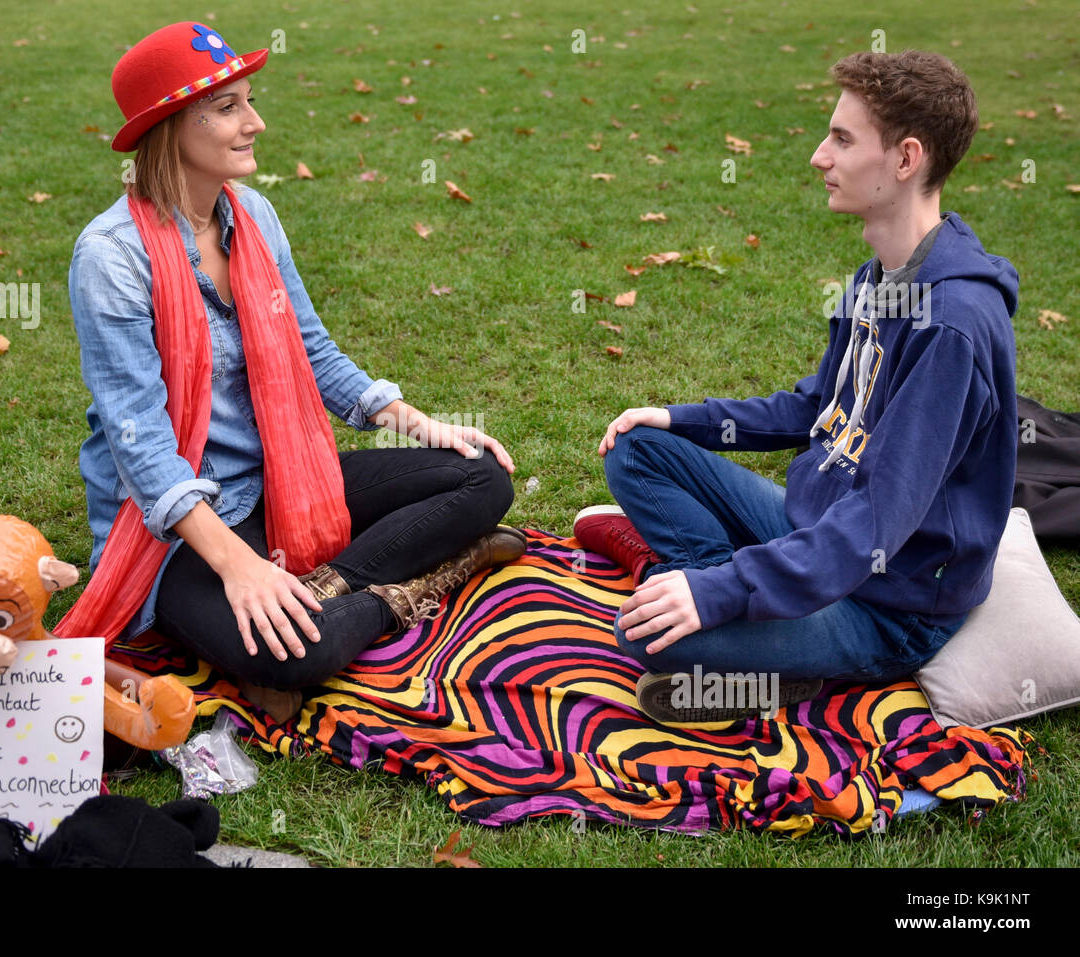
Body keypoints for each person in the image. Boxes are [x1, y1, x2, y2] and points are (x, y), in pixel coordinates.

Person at [60, 22, 523, 723]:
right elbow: (143, 449)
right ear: (169, 127)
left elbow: (313, 351)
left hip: (280, 480)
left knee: (480, 474)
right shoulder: (111, 258)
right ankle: (426, 576)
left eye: (249, 100)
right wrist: (241, 568)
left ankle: (330, 587)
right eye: (228, 108)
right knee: (293, 657)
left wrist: (420, 424)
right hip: (178, 527)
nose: (256, 122)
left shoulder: (255, 217)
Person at [574, 50, 1018, 723]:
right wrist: (677, 418)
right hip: (811, 526)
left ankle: (778, 658)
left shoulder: (952, 326)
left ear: (905, 160)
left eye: (841, 139)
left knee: (643, 634)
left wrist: (720, 592)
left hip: (890, 604)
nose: (819, 156)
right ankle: (723, 589)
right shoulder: (882, 275)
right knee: (636, 447)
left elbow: (876, 521)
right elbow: (817, 407)